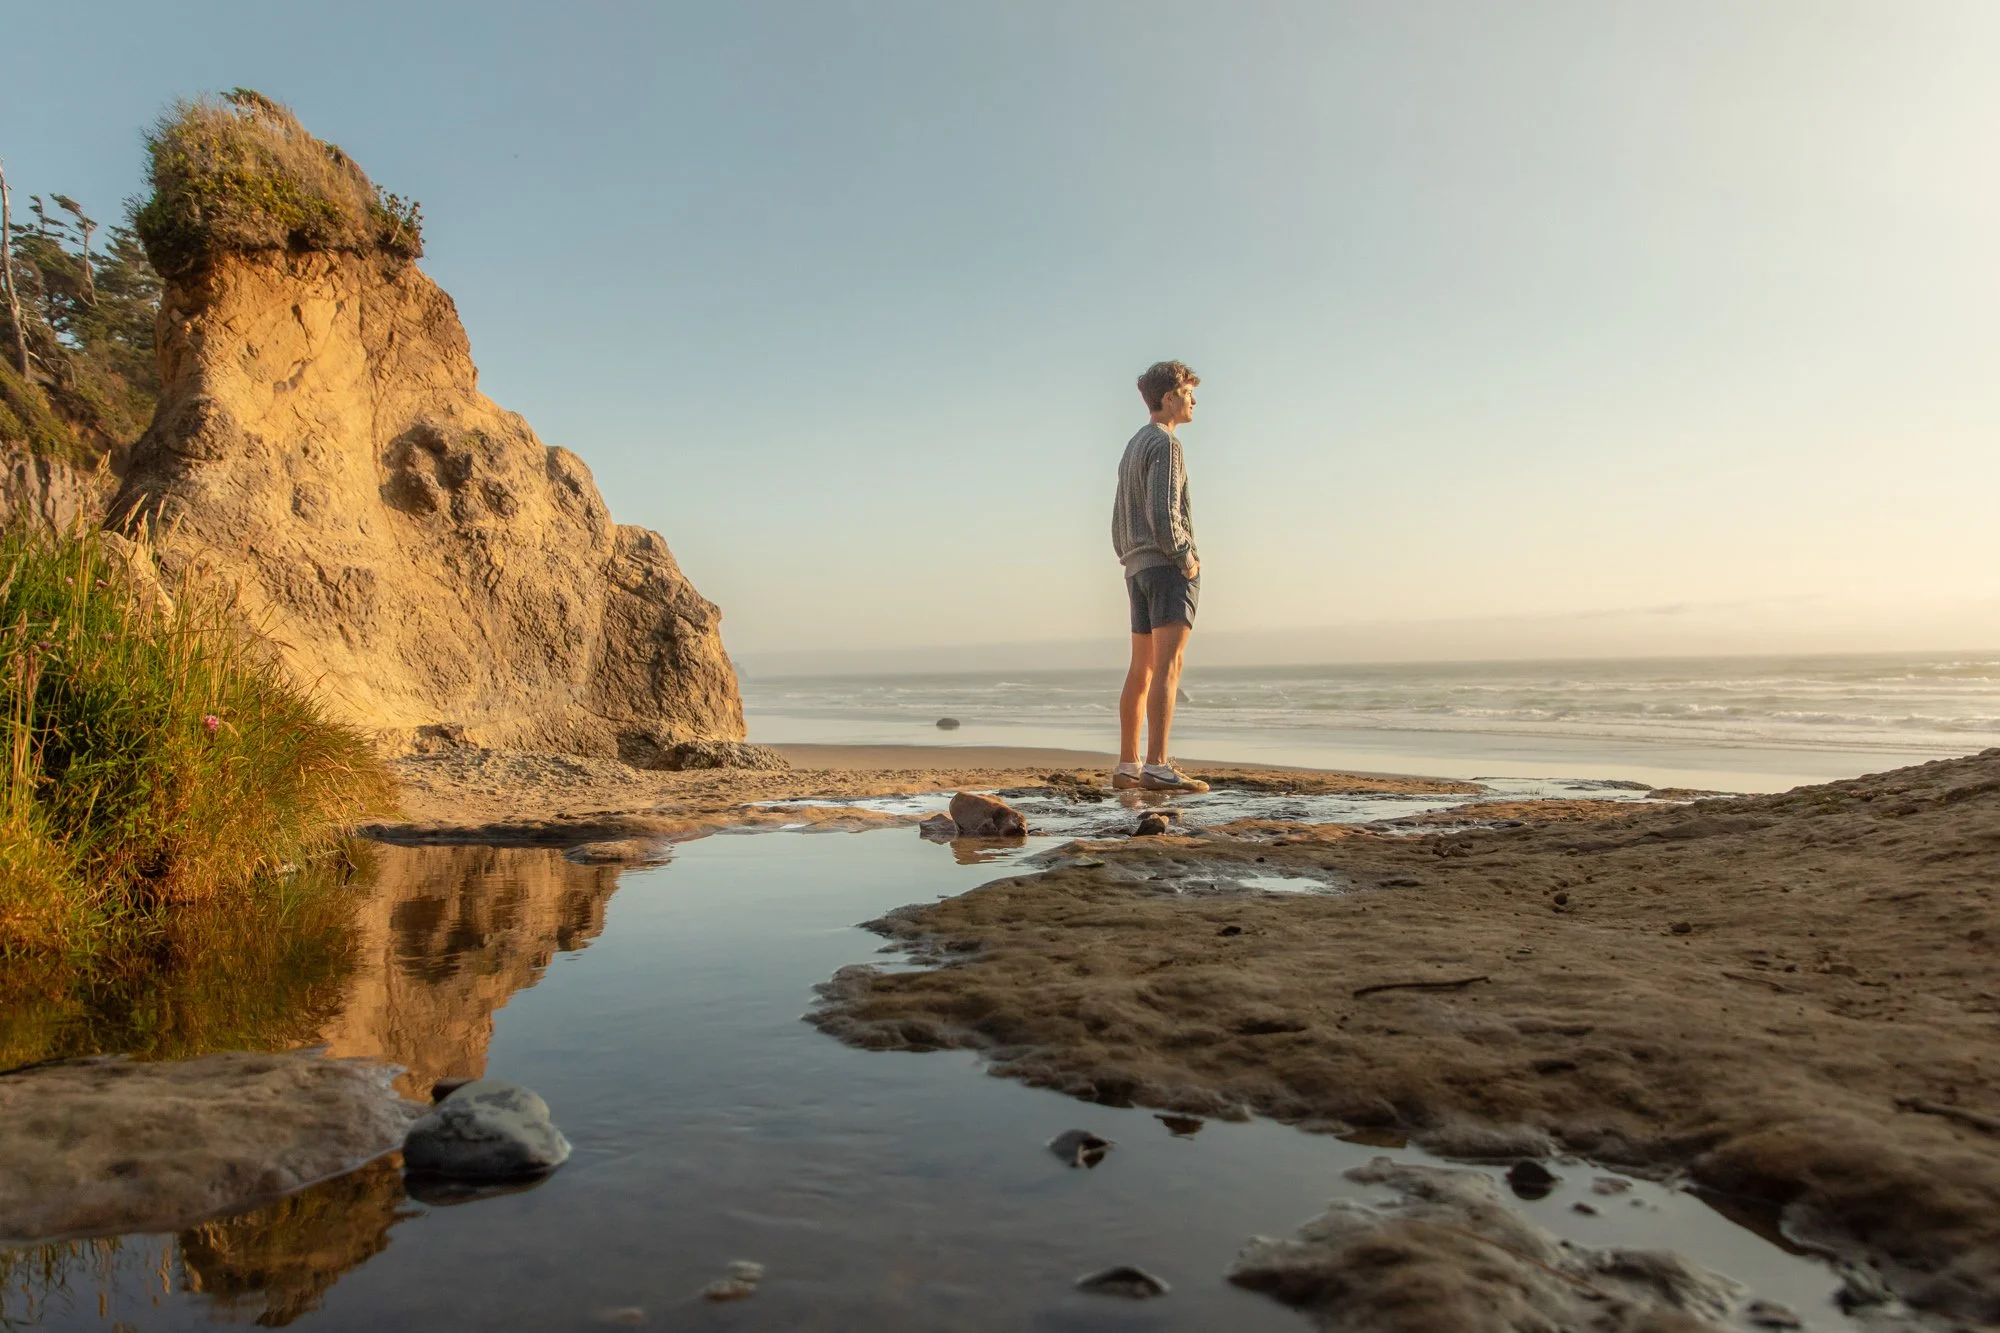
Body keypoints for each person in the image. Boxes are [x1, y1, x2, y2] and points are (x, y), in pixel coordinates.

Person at [1111, 360, 1210, 793]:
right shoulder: (1165, 445)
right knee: (1169, 665)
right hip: (1165, 567)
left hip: (1136, 568)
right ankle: (1157, 764)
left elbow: (1118, 517)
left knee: (1142, 667)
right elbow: (1162, 510)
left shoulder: (1133, 445)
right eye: (1188, 392)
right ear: (1168, 397)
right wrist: (1185, 556)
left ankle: (1128, 764)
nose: (1193, 400)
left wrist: (1127, 556)